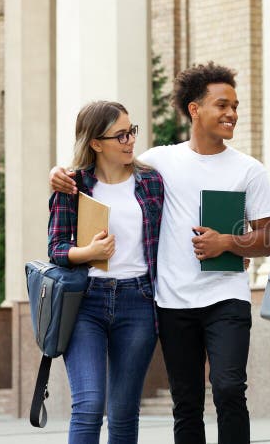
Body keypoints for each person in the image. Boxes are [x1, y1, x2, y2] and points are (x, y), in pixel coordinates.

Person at [51, 62, 270, 444]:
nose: (232, 114)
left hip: (227, 297)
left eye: (234, 106)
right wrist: (59, 172)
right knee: (185, 402)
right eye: (222, 105)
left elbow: (268, 239)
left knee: (227, 389)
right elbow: (100, 169)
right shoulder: (158, 163)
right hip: (172, 302)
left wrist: (227, 242)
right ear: (194, 109)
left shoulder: (249, 170)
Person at [48, 100, 164, 443]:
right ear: (96, 142)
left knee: (125, 411)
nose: (130, 140)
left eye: (132, 131)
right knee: (88, 405)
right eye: (120, 135)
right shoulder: (73, 184)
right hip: (86, 302)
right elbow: (56, 249)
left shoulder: (151, 181)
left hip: (139, 300)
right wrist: (89, 253)